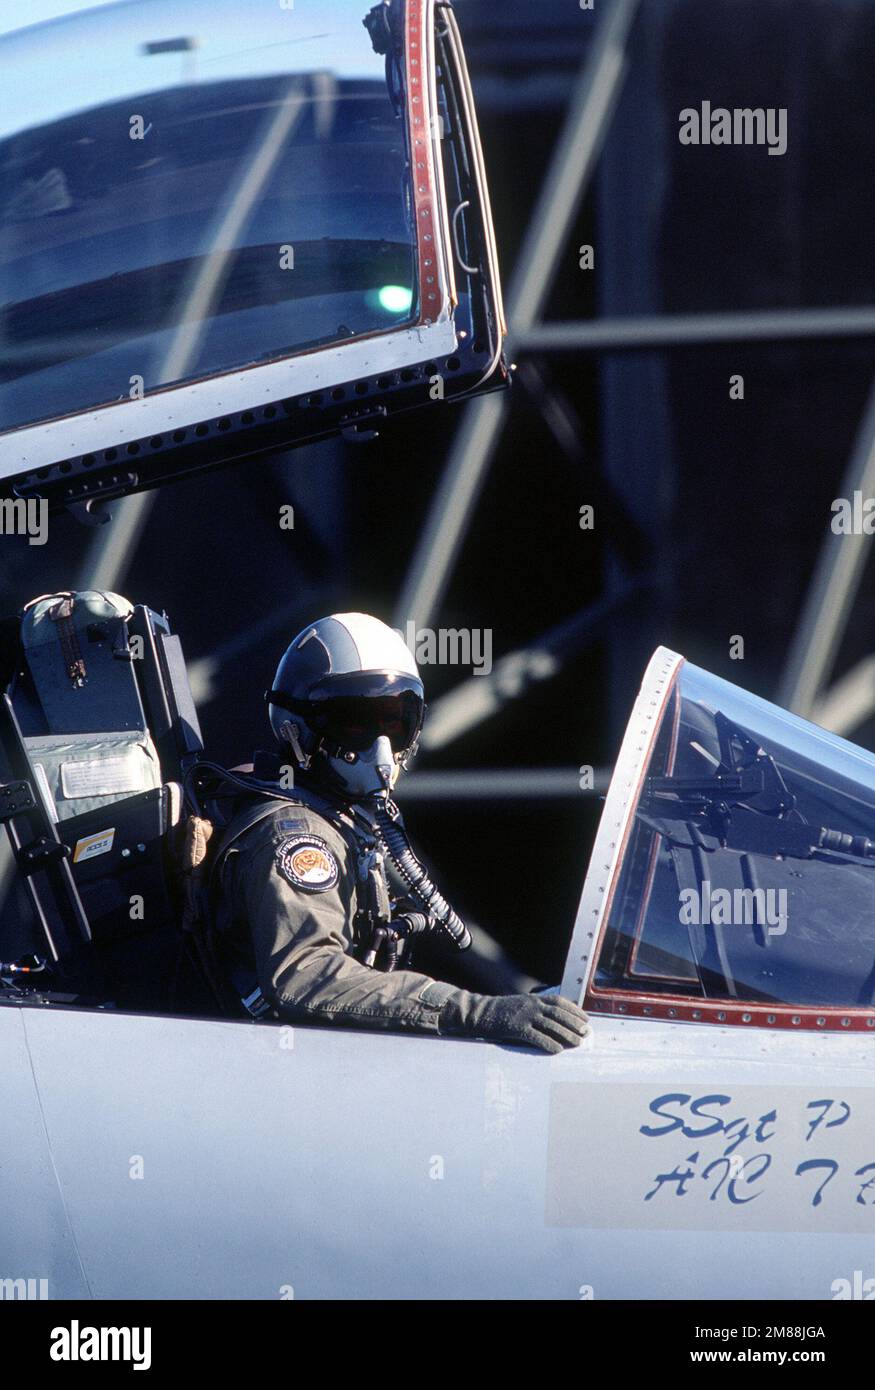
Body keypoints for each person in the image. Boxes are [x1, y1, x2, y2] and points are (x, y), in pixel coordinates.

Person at [210, 612, 590, 1053]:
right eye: (356, 723)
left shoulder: (346, 818)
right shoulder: (294, 835)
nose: (381, 748)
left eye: (396, 722)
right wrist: (474, 1012)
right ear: (299, 727)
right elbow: (306, 976)